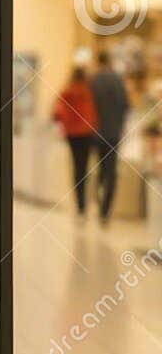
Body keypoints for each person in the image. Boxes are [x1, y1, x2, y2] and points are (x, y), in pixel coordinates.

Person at [90, 51, 132, 225]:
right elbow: (125, 105)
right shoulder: (118, 80)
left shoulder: (93, 81)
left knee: (99, 167)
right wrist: (120, 125)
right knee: (111, 170)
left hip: (95, 131)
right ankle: (105, 210)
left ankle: (98, 198)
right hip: (113, 133)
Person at [53, 67, 99, 219]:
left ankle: (80, 205)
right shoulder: (88, 92)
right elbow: (94, 112)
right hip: (87, 133)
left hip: (72, 134)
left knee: (77, 168)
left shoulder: (67, 91)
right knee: (85, 167)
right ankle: (85, 202)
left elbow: (56, 112)